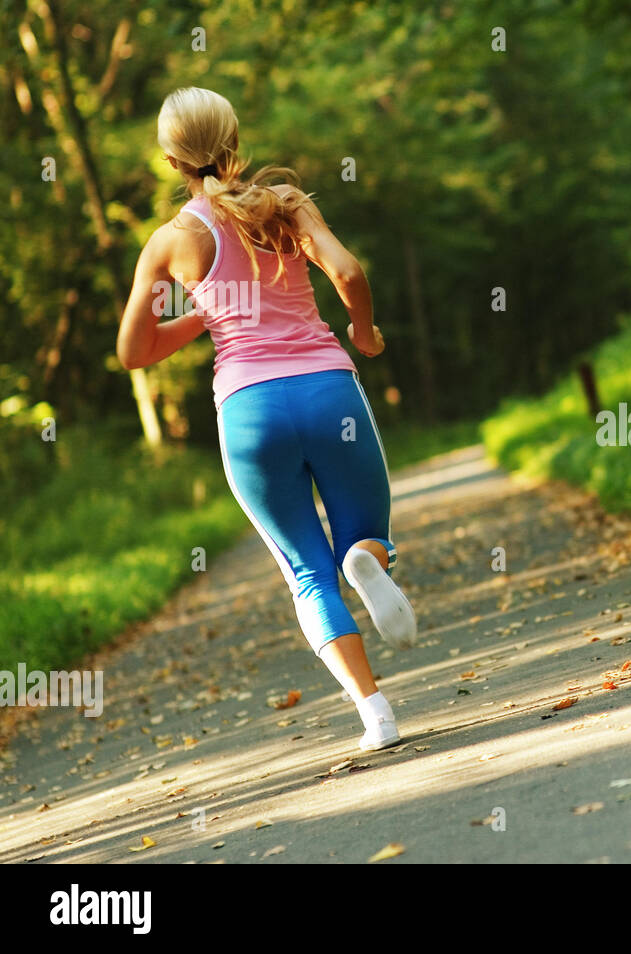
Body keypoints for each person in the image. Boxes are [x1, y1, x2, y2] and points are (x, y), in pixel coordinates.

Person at [116, 87, 416, 751]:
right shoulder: (287, 203)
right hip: (328, 391)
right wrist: (363, 332)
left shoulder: (170, 241)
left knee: (307, 574)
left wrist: (208, 312)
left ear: (171, 161)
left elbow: (133, 352)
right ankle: (366, 560)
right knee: (366, 534)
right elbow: (348, 271)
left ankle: (377, 717)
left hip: (249, 411)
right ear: (234, 138)